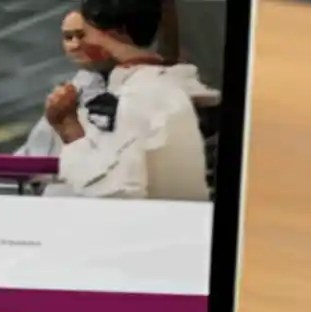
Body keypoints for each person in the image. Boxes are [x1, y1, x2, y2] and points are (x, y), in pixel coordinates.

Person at [45, 0, 215, 201]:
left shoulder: (143, 94)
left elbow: (115, 192)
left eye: (85, 32)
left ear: (116, 32)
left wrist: (69, 127)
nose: (78, 45)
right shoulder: (152, 87)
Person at [15, 10, 112, 158]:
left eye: (82, 35)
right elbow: (32, 151)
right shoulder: (71, 90)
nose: (75, 45)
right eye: (68, 37)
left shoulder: (128, 87)